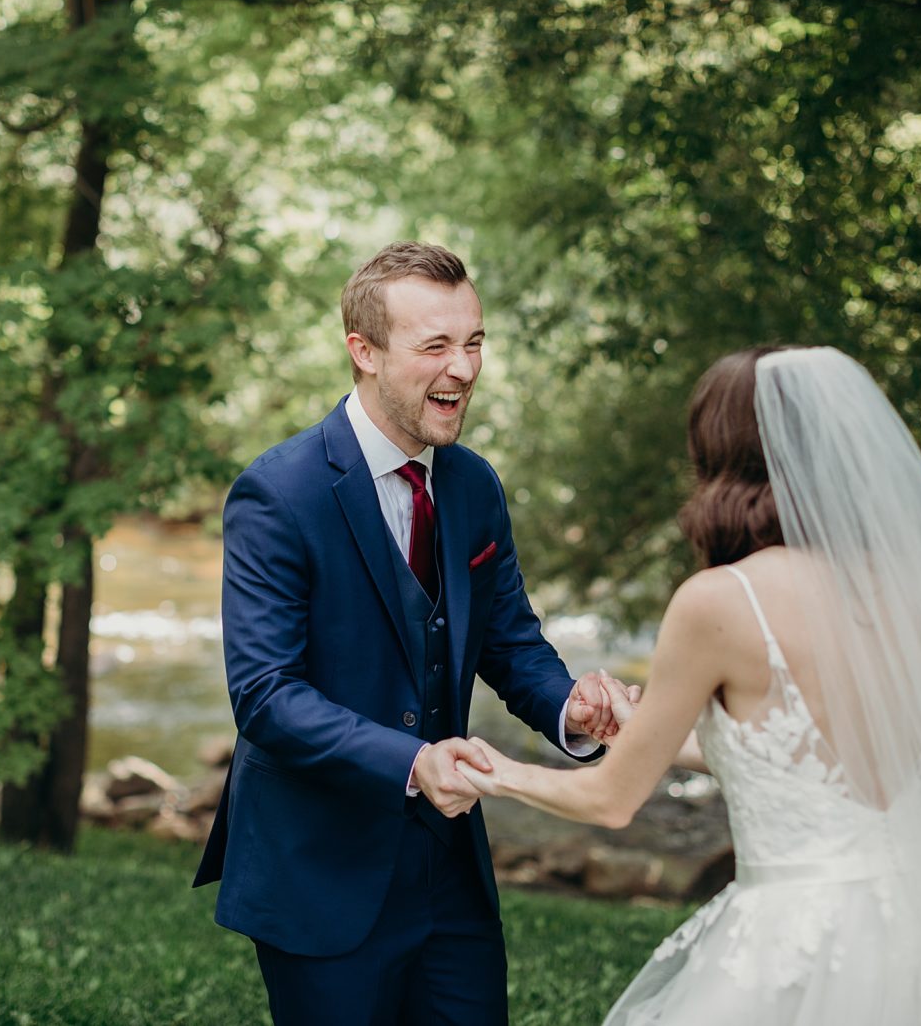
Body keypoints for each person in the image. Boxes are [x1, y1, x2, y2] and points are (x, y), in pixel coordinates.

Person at [458, 346, 921, 1025]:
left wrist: (492, 769)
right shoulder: (915, 591)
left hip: (800, 936)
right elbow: (823, 763)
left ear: (719, 458)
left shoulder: (719, 600)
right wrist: (647, 734)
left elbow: (610, 802)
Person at [193, 241, 636, 1026]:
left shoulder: (472, 484)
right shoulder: (278, 492)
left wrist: (570, 708)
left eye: (473, 342)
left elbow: (509, 639)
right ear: (362, 351)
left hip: (451, 872)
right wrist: (414, 760)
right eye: (435, 345)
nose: (463, 368)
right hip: (321, 873)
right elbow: (265, 695)